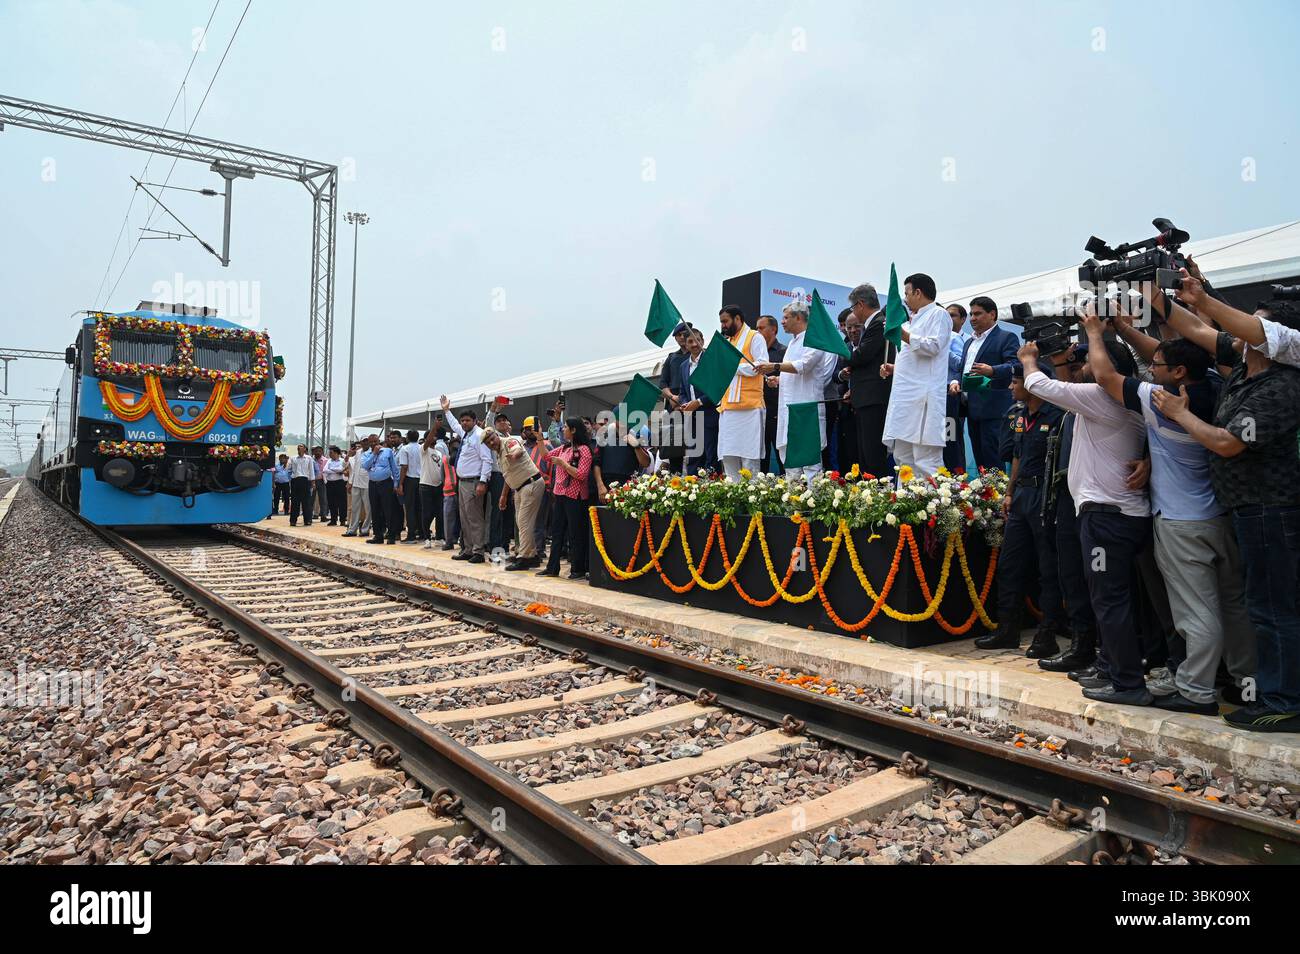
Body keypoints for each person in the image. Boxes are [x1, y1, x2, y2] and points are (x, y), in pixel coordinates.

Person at [1086, 307, 1255, 716]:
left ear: (1178, 373)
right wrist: (1125, 327)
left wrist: (1095, 331)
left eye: (1158, 366)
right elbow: (1178, 348)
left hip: (1181, 523)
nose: (1151, 370)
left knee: (1196, 610)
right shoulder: (1218, 387)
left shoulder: (1159, 400)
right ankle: (1244, 683)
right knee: (1233, 605)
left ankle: (1196, 691)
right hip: (1219, 516)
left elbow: (1106, 377)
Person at [1147, 277, 1300, 732]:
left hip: (1272, 508)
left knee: (1274, 609)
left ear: (1270, 342)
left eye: (1254, 327)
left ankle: (1285, 701)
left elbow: (1229, 443)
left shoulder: (1282, 386)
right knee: (1258, 604)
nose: (1240, 332)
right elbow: (1197, 330)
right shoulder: (1247, 367)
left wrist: (1181, 415)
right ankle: (1264, 690)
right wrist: (1164, 298)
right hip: (1248, 510)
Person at [1020, 330, 1151, 706]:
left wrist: (1030, 357)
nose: (1083, 367)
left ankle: (1127, 683)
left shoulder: (1100, 397)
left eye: (1090, 360)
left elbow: (1038, 384)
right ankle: (1113, 669)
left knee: (1109, 602)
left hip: (1106, 518)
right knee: (1115, 600)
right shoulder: (1127, 397)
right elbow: (1066, 387)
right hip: (1122, 515)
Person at [973, 360, 1065, 657]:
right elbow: (1015, 456)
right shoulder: (1018, 416)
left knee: (1047, 568)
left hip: (1045, 496)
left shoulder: (1058, 415)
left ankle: (1048, 633)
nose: (1011, 386)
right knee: (1009, 565)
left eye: (1016, 382)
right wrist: (1009, 493)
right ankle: (1007, 630)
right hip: (1022, 494)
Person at [880, 274, 951, 479]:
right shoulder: (912, 321)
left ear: (918, 292)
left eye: (907, 293)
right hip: (904, 400)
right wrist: (894, 368)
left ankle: (936, 509)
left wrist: (902, 334)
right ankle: (909, 507)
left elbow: (934, 346)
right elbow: (914, 359)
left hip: (923, 399)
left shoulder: (938, 314)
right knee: (903, 458)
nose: (905, 298)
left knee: (926, 460)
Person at [762, 299, 831, 480]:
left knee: (810, 463)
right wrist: (778, 379)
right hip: (788, 409)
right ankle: (793, 504)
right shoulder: (793, 343)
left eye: (785, 318)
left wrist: (775, 366)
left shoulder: (815, 338)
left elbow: (805, 366)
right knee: (789, 460)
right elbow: (792, 371)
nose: (782, 321)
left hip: (806, 409)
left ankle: (813, 504)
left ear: (799, 317)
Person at [959, 297, 1020, 470]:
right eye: (971, 314)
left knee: (994, 462)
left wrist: (992, 370)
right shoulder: (969, 343)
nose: (972, 318)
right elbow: (962, 369)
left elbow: (1015, 365)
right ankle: (986, 496)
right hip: (970, 409)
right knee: (980, 463)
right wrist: (956, 381)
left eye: (977, 313)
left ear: (992, 314)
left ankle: (998, 496)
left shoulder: (1006, 337)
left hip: (994, 410)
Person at [843, 283, 892, 478]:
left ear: (861, 304)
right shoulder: (871, 325)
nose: (854, 312)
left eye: (853, 307)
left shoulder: (878, 323)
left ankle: (877, 496)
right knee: (864, 454)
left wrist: (840, 350)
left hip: (874, 398)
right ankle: (869, 496)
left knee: (873, 454)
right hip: (865, 399)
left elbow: (862, 356)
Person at [716, 305, 770, 480]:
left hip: (749, 407)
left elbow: (761, 366)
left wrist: (732, 367)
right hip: (728, 408)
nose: (723, 325)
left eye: (725, 321)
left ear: (738, 319)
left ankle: (751, 501)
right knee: (728, 457)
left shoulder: (755, 337)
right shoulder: (727, 342)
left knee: (749, 459)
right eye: (721, 322)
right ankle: (733, 501)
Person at [483, 426, 546, 570]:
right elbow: (508, 475)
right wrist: (504, 495)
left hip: (531, 483)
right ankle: (531, 555)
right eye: (488, 442)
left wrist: (514, 455)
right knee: (521, 522)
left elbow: (516, 450)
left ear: (496, 436)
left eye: (492, 439)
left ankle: (524, 558)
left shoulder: (509, 442)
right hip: (519, 488)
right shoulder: (498, 453)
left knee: (524, 523)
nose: (491, 443)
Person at [539, 417, 594, 579]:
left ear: (574, 430)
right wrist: (540, 438)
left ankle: (578, 569)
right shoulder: (564, 448)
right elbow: (545, 456)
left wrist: (563, 464)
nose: (563, 430)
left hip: (575, 496)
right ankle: (552, 567)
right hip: (560, 495)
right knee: (557, 532)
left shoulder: (584, 450)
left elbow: (582, 475)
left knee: (575, 533)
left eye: (565, 427)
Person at [442, 395, 492, 563]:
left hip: (474, 481)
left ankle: (478, 551)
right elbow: (454, 425)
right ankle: (468, 549)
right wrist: (447, 410)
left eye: (467, 420)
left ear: (475, 421)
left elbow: (487, 460)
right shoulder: (465, 433)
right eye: (463, 420)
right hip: (462, 482)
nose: (464, 423)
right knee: (464, 517)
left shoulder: (479, 435)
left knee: (475, 518)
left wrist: (483, 482)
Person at [679, 329, 719, 475]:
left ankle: (712, 489)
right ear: (686, 345)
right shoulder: (683, 366)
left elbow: (717, 387)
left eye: (697, 340)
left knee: (711, 457)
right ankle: (692, 490)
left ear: (702, 340)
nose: (694, 344)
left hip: (710, 415)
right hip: (692, 418)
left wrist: (699, 402)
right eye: (690, 341)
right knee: (693, 457)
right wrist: (684, 403)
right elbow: (683, 391)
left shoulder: (711, 358)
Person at [595, 420, 650, 501]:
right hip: (606, 486)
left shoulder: (635, 435)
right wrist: (600, 486)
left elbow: (645, 463)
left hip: (628, 487)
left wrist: (636, 446)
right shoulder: (603, 437)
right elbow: (596, 463)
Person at [758, 315, 786, 474]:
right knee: (760, 458)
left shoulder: (784, 352)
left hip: (777, 413)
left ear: (773, 329)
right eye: (757, 328)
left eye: (761, 328)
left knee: (782, 456)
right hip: (757, 412)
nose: (758, 331)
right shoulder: (754, 354)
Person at [362, 433, 401, 544]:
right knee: (375, 510)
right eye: (371, 442)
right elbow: (365, 466)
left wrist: (396, 484)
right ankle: (378, 536)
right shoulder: (366, 454)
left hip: (386, 483)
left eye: (376, 441)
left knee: (388, 510)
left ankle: (391, 536)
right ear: (369, 443)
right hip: (373, 484)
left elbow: (394, 468)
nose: (374, 443)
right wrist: (374, 454)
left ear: (379, 441)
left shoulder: (387, 451)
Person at [944, 303, 969, 474]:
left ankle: (956, 478)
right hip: (936, 396)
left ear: (962, 319)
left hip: (951, 397)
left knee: (951, 439)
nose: (949, 319)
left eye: (952, 315)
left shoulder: (953, 338)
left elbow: (961, 364)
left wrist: (941, 349)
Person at [419, 424, 447, 548]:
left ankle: (439, 537)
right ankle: (427, 537)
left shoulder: (439, 453)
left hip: (438, 486)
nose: (434, 438)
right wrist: (434, 428)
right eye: (432, 436)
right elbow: (428, 440)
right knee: (427, 513)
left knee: (440, 513)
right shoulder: (423, 449)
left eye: (435, 435)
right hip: (426, 485)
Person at [394, 429, 423, 544]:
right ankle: (422, 533)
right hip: (421, 480)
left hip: (410, 480)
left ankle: (411, 534)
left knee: (410, 508)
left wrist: (400, 483)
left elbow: (404, 467)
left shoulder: (405, 449)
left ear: (407, 438)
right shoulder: (422, 447)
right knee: (420, 508)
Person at [342, 441, 371, 538]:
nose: (365, 443)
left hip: (367, 483)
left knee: (368, 509)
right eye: (363, 441)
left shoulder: (372, 452)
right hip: (356, 483)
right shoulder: (358, 452)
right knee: (354, 508)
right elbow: (354, 469)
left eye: (367, 441)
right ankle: (352, 530)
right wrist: (351, 482)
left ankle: (365, 530)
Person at [441, 436, 461, 551]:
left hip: (454, 491)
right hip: (450, 491)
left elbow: (442, 476)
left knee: (451, 518)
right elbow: (442, 476)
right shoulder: (446, 459)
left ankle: (451, 541)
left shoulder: (447, 458)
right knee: (450, 519)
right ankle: (450, 541)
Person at [288, 444, 315, 527]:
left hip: (305, 480)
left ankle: (308, 520)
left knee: (306, 501)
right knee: (295, 501)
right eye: (298, 447)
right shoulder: (293, 458)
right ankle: (293, 520)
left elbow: (311, 470)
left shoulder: (309, 458)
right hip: (296, 480)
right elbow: (288, 468)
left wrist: (313, 482)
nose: (299, 448)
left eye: (301, 447)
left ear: (305, 449)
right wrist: (291, 477)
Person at [322, 445, 347, 526]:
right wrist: (335, 471)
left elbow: (341, 469)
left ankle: (342, 520)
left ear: (336, 453)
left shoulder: (342, 461)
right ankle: (333, 519)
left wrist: (331, 470)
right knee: (331, 502)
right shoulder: (329, 461)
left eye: (331, 453)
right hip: (330, 483)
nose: (330, 454)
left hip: (340, 483)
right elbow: (325, 470)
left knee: (342, 502)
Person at [312, 446, 328, 520]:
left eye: (319, 451)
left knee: (323, 499)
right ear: (313, 452)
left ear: (322, 452)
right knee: (311, 499)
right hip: (313, 481)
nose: (317, 453)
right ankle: (310, 515)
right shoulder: (311, 460)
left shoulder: (325, 460)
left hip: (322, 481)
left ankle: (323, 516)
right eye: (316, 451)